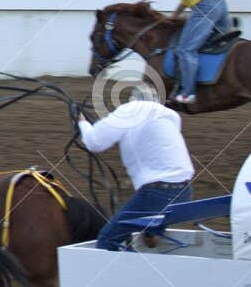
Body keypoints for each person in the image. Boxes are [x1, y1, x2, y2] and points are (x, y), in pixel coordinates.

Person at [76, 89, 196, 251]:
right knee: (140, 221)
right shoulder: (169, 116)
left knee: (107, 239)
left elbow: (94, 142)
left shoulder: (129, 111)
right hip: (184, 192)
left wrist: (82, 122)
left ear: (132, 101)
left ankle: (135, 266)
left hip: (156, 193)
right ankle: (152, 232)